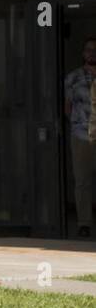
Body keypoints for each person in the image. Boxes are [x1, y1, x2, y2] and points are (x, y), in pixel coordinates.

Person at [64, 38, 96, 231]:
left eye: (95, 50)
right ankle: (84, 222)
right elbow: (67, 107)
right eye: (89, 50)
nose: (92, 53)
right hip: (81, 135)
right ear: (83, 53)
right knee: (82, 180)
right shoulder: (73, 78)